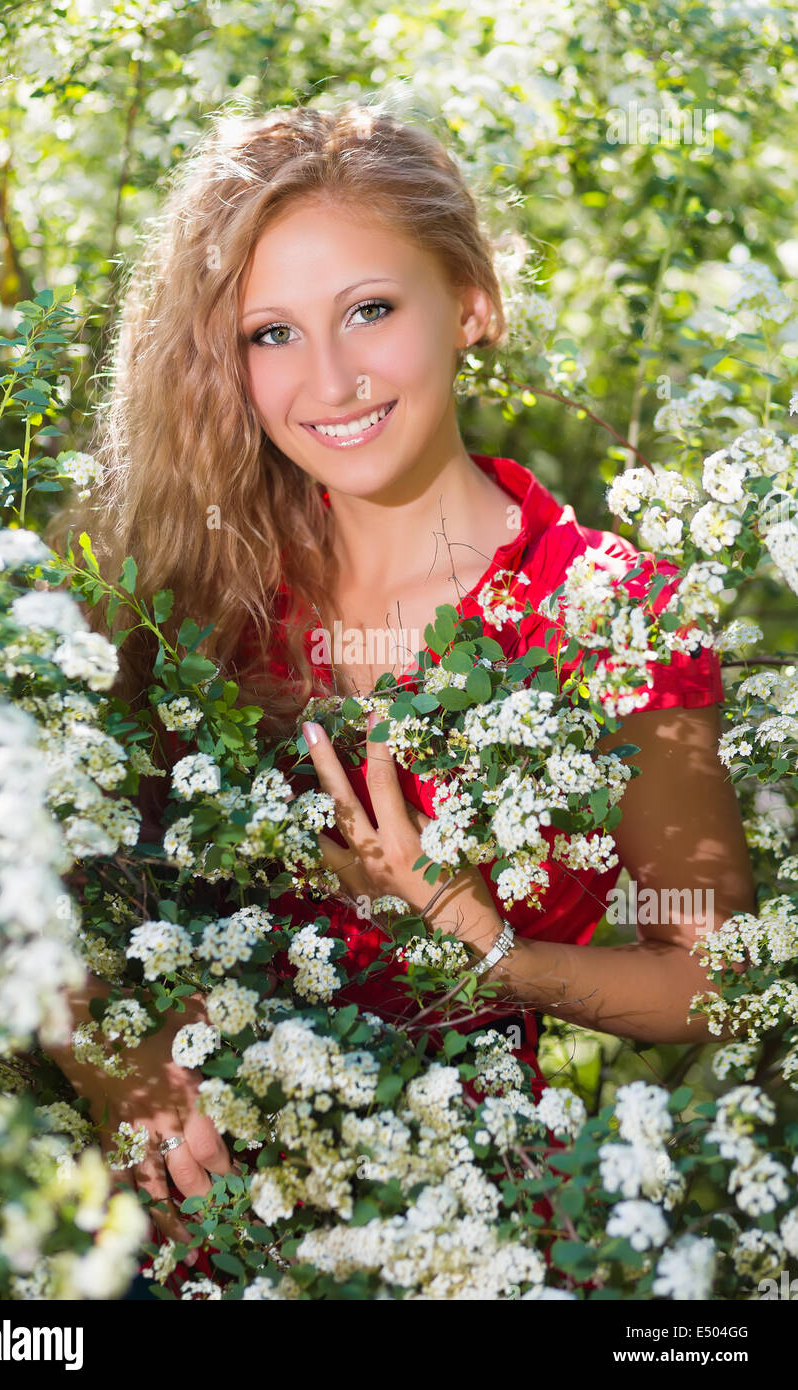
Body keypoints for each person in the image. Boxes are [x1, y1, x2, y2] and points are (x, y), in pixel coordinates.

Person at [43, 100, 757, 1292]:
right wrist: (125, 1066)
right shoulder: (193, 570)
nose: (327, 380)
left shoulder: (604, 618)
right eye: (271, 333)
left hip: (443, 1231)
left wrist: (497, 956)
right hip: (156, 1232)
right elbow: (15, 863)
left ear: (469, 302)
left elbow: (718, 979)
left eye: (368, 310)